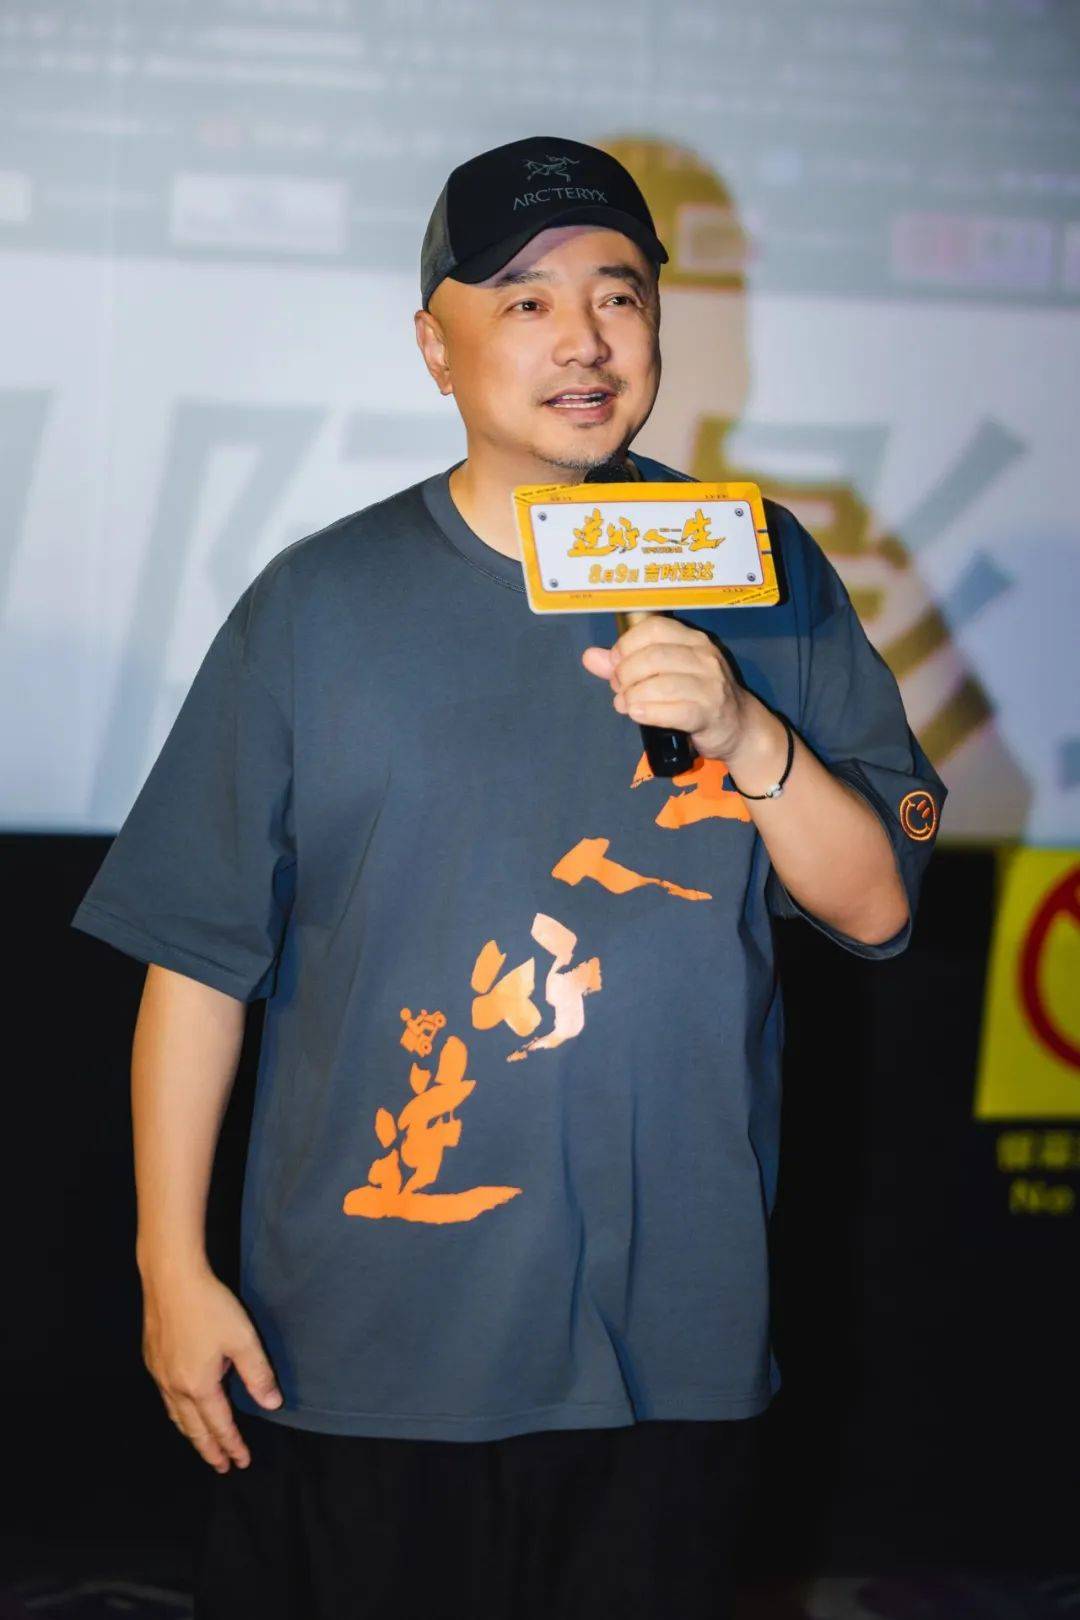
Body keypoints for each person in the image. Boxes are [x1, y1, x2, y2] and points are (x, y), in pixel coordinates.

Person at [70, 135, 948, 1619]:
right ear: (437, 345)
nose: (582, 340)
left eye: (618, 295)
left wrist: (747, 733)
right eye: (526, 301)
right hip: (361, 1349)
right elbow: (198, 962)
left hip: (670, 1353)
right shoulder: (318, 607)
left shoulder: (755, 569)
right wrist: (171, 1266)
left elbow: (875, 905)